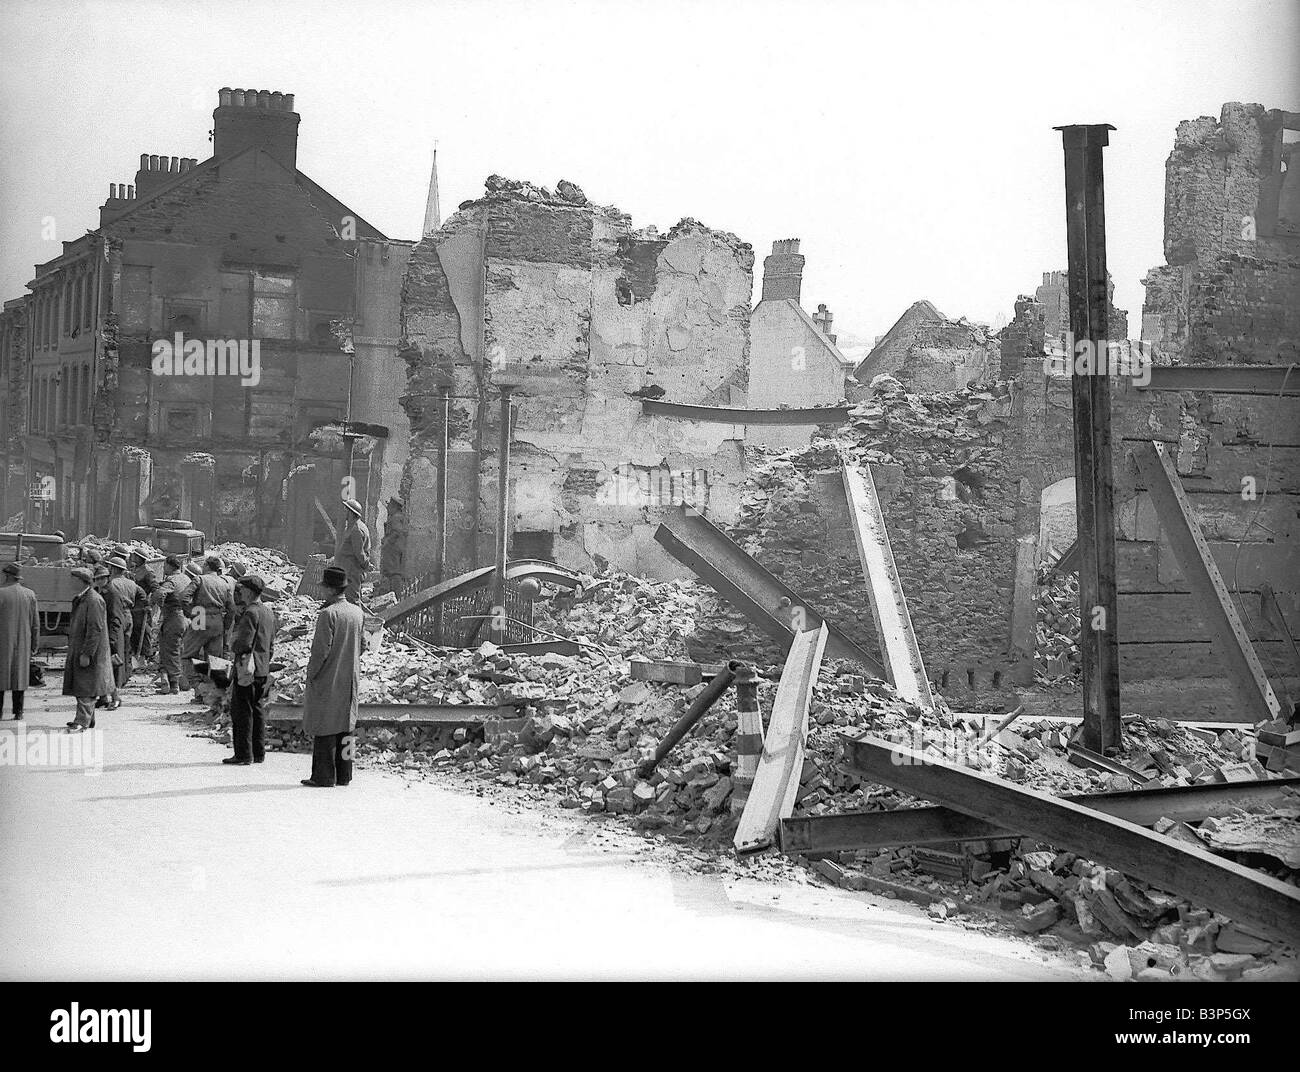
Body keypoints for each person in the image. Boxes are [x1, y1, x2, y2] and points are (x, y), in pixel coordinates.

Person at [301, 565, 363, 787]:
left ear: (328, 589)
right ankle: (345, 774)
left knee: (325, 726)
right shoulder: (357, 612)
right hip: (350, 677)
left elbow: (320, 652)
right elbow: (363, 646)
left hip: (329, 678)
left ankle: (323, 776)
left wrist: (312, 675)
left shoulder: (328, 614)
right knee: (346, 726)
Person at [225, 574, 275, 766]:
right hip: (262, 669)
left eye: (241, 590)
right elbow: (270, 644)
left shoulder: (250, 613)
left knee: (241, 712)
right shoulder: (268, 613)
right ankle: (258, 752)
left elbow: (244, 644)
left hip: (247, 669)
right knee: (257, 709)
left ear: (247, 591)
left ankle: (243, 754)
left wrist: (233, 645)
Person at [64, 567, 113, 732]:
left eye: (73, 579)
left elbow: (95, 629)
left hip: (91, 652)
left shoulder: (93, 600)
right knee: (83, 684)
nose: (70, 582)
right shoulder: (83, 598)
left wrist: (87, 653)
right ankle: (88, 719)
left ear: (80, 581)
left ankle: (82, 721)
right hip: (81, 648)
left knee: (86, 686)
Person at [180, 556, 235, 691]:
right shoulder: (225, 583)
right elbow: (232, 609)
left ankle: (198, 687)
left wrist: (191, 612)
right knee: (215, 660)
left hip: (200, 618)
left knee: (188, 655)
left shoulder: (200, 579)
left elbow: (183, 597)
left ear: (207, 566)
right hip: (218, 622)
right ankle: (211, 691)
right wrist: (226, 626)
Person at [0, 562, 40, 721]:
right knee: (20, 676)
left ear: (7, 576)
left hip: (3, 642)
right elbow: (35, 623)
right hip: (23, 642)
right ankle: (19, 711)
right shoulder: (30, 595)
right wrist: (35, 644)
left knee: (1, 676)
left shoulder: (1, 593)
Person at [150, 556, 194, 694]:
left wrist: (159, 604)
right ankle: (183, 681)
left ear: (169, 566)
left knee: (170, 650)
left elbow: (159, 594)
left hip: (174, 618)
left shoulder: (171, 581)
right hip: (188, 618)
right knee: (181, 650)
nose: (164, 568)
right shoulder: (186, 579)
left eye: (165, 566)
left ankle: (174, 684)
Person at [93, 565, 128, 710]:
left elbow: (115, 618)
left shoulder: (112, 594)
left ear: (107, 578)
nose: (100, 581)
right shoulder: (99, 592)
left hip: (110, 634)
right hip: (102, 633)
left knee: (109, 668)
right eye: (97, 578)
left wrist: (112, 639)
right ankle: (102, 697)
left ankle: (115, 697)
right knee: (100, 667)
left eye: (102, 578)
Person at [335, 498, 372, 605]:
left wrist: (366, 564)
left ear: (351, 513)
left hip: (352, 570)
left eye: (346, 509)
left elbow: (359, 553)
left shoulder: (356, 529)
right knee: (348, 599)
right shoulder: (353, 526)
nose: (344, 511)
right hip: (348, 568)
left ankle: (359, 620)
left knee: (352, 600)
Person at [128, 549, 159, 670]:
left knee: (144, 632)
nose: (133, 558)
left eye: (136, 556)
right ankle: (136, 659)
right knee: (134, 634)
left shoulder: (148, 572)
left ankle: (144, 659)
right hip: (134, 607)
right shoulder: (135, 570)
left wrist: (149, 603)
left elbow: (155, 588)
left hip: (142, 608)